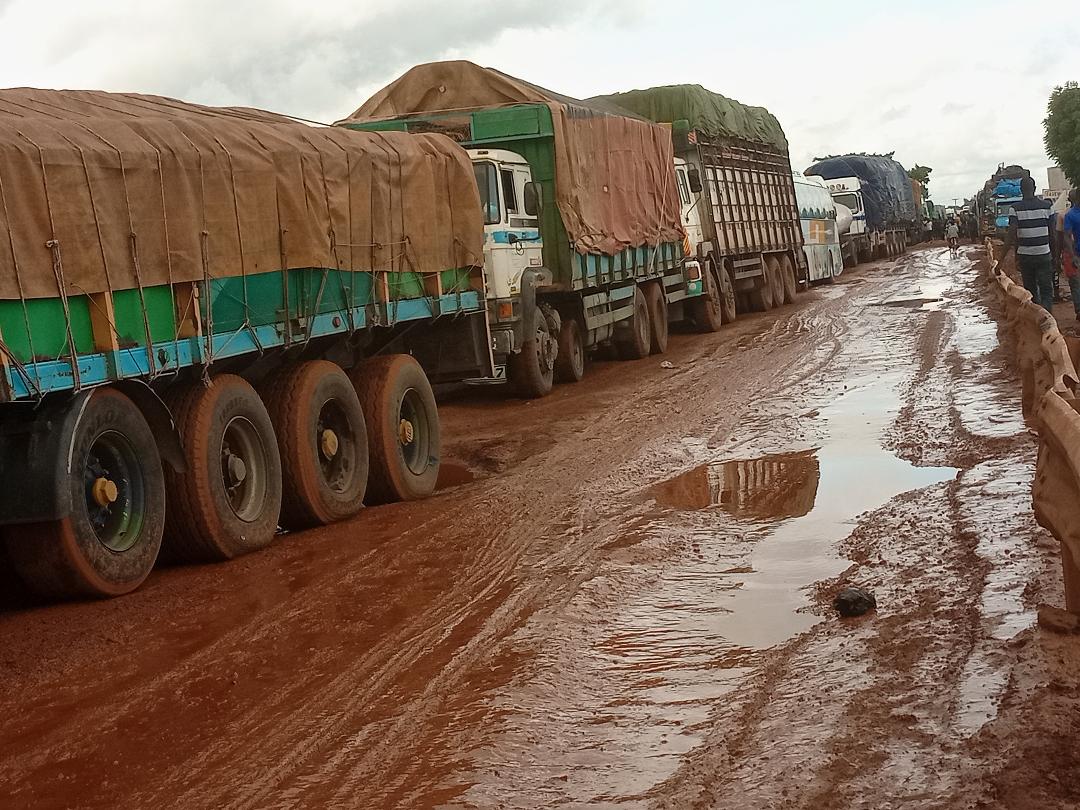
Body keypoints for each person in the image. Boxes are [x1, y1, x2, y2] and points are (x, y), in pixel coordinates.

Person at [999, 176, 1058, 311]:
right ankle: (1047, 315)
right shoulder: (1047, 206)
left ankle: (1036, 317)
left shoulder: (1015, 209)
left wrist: (1002, 260)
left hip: (1025, 256)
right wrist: (1055, 257)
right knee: (1046, 290)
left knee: (1030, 290)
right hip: (1044, 254)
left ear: (1021, 190)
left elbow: (1011, 235)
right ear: (1035, 188)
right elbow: (1052, 235)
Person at [1064, 189, 1080, 319]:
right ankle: (1079, 310)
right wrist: (1072, 255)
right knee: (1076, 283)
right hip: (1077, 253)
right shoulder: (1070, 215)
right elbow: (1067, 236)